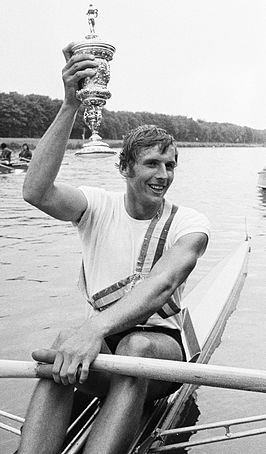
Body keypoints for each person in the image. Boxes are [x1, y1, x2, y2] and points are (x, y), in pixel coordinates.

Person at [17, 43, 210, 454]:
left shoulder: (190, 223)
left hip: (160, 354)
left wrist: (92, 329)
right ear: (123, 167)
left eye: (171, 164)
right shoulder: (95, 206)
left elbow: (163, 284)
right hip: (105, 347)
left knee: (133, 346)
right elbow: (35, 191)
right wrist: (70, 103)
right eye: (152, 164)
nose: (164, 175)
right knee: (58, 352)